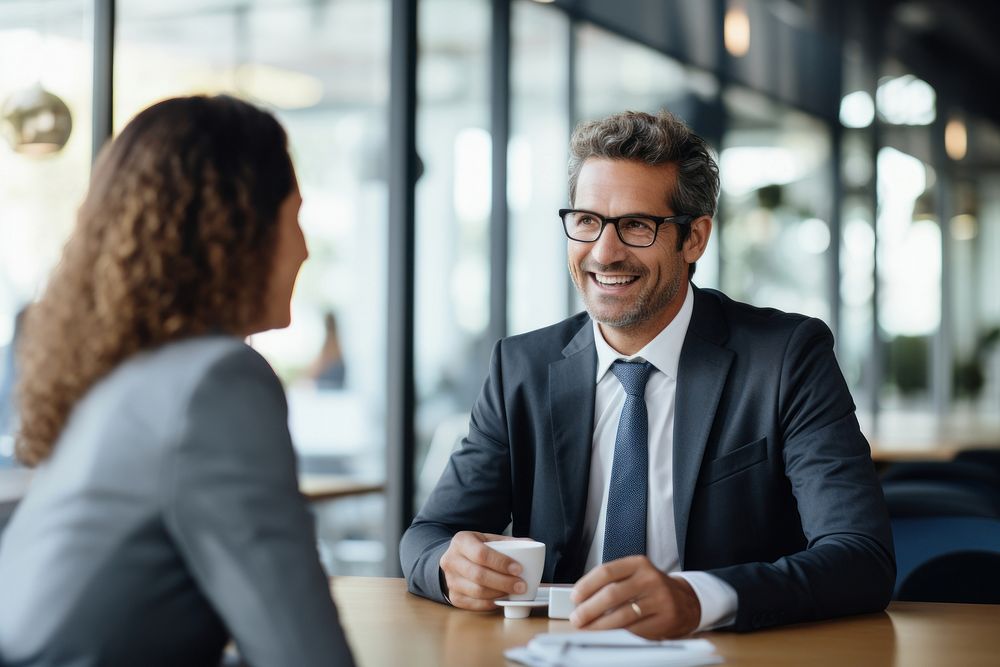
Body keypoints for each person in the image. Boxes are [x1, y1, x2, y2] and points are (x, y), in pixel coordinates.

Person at [400, 109, 894, 638]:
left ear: (695, 239)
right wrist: (452, 570)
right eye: (587, 221)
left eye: (637, 225)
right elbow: (430, 535)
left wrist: (699, 598)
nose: (604, 252)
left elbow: (860, 557)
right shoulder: (521, 366)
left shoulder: (785, 358)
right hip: (556, 652)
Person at [0, 95, 356, 666]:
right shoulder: (217, 382)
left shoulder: (133, 377)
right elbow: (303, 654)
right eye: (294, 216)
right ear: (237, 230)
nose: (306, 249)